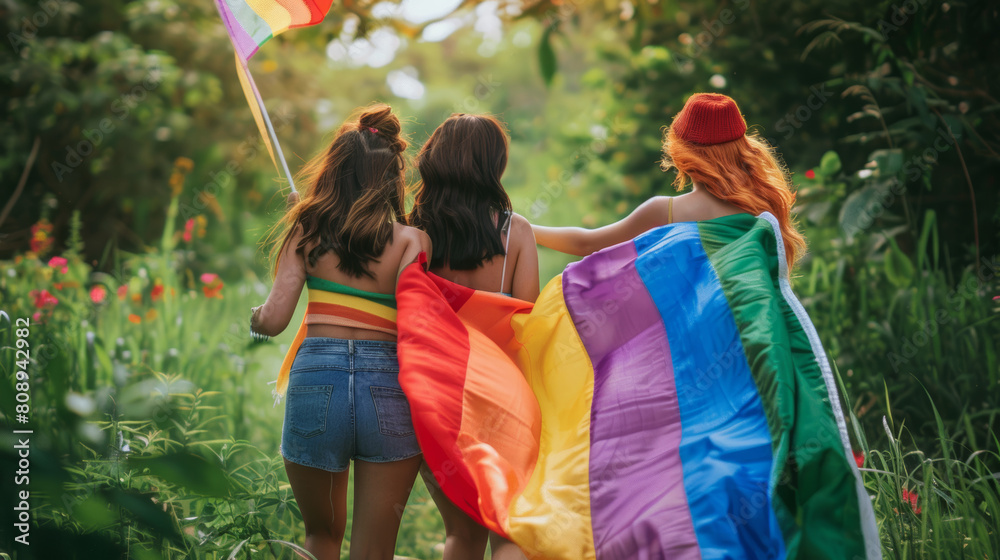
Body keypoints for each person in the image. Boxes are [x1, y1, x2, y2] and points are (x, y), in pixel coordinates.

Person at [251, 104, 431, 560]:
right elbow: (418, 327)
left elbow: (272, 322)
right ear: (392, 175)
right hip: (388, 388)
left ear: (333, 171)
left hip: (317, 381)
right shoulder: (413, 241)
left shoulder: (305, 230)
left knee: (320, 538)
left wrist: (254, 316)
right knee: (374, 552)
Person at [408, 113, 539, 560]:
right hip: (503, 400)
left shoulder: (413, 232)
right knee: (509, 527)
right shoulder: (515, 231)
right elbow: (528, 322)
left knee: (461, 535)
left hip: (435, 396)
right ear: (493, 165)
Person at [532, 92, 806, 272]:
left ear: (682, 153)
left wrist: (523, 227)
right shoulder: (764, 209)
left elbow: (587, 244)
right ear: (743, 148)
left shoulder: (665, 212)